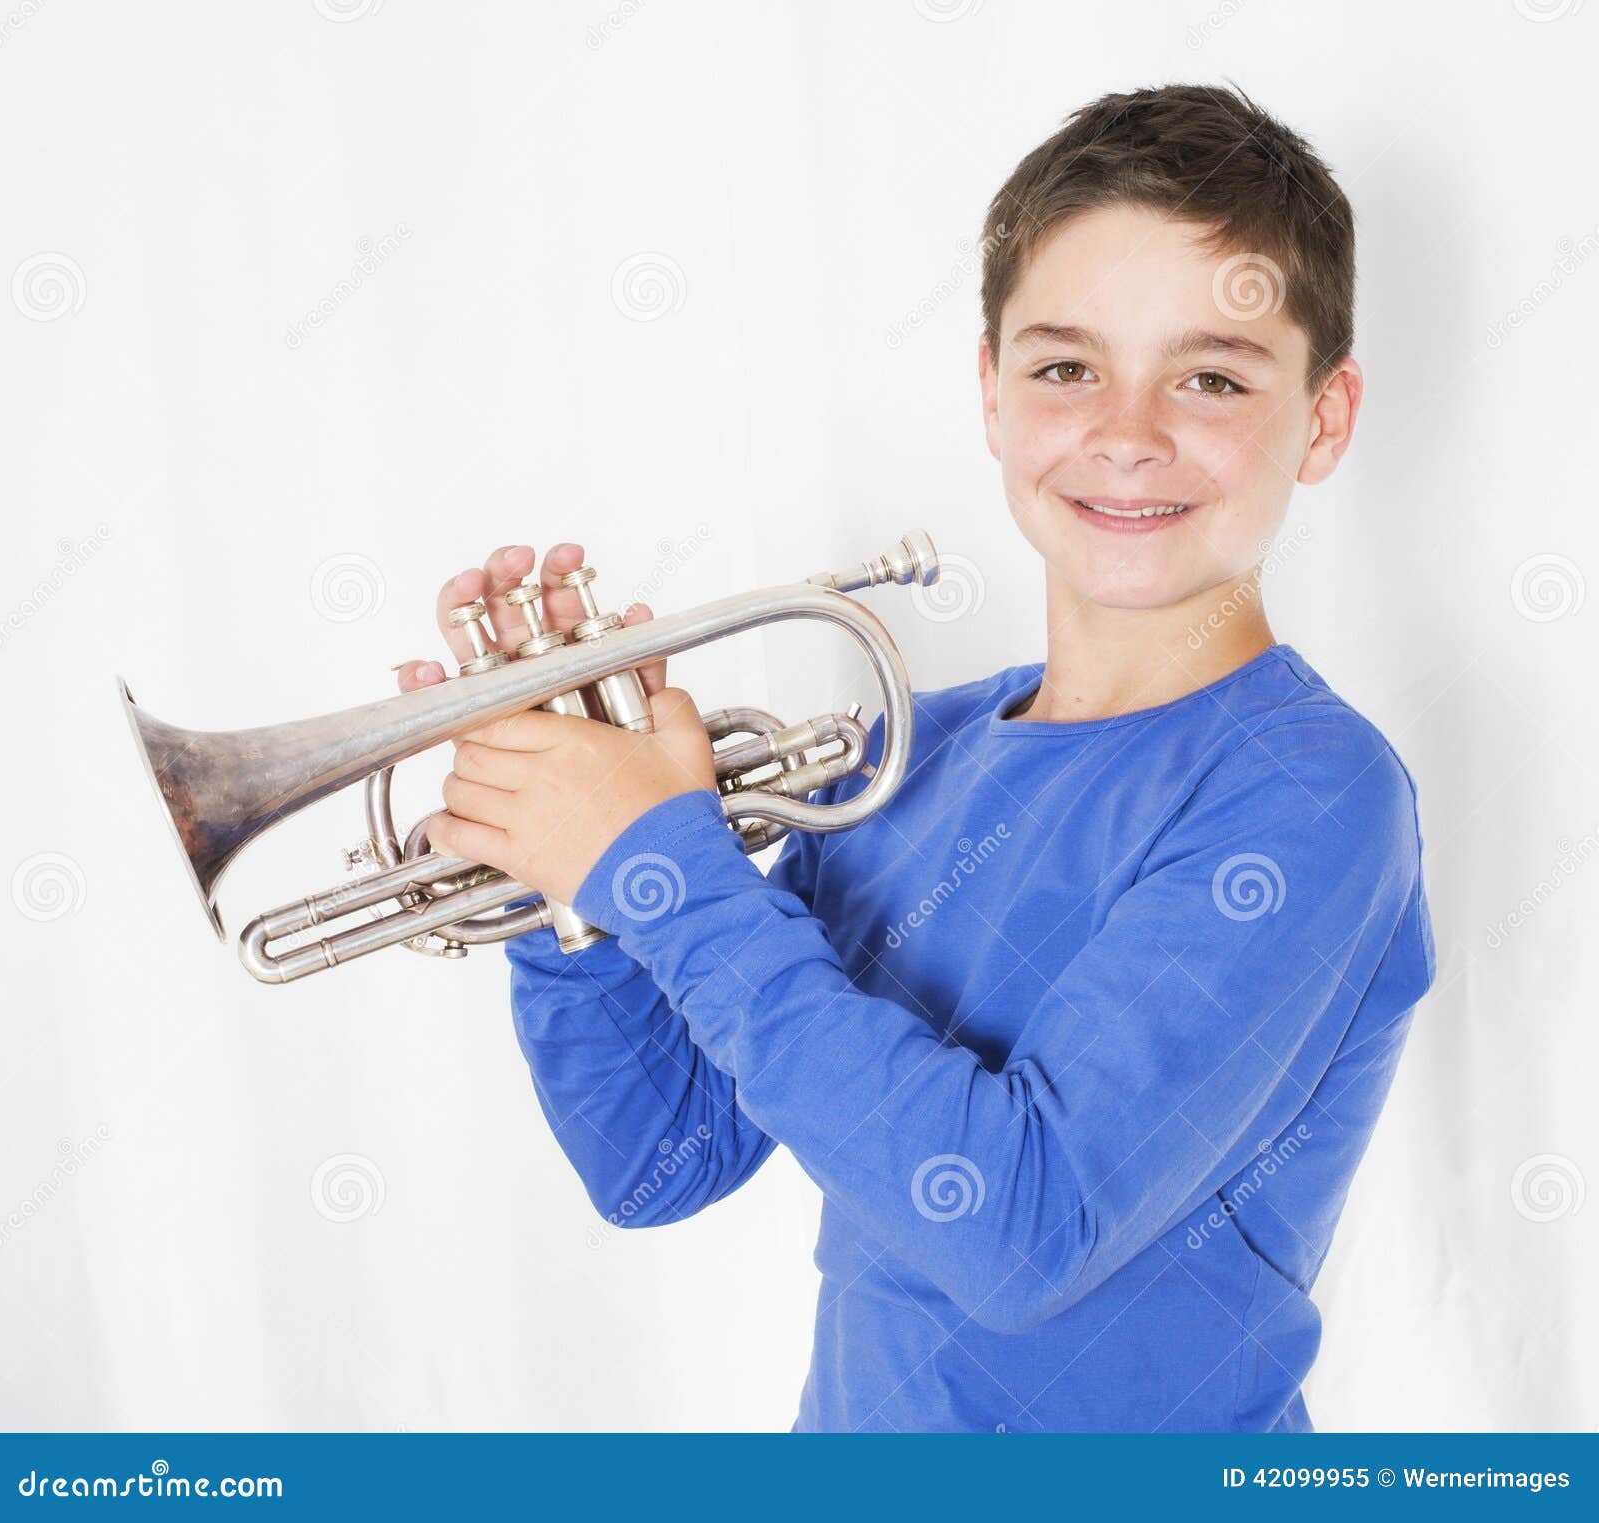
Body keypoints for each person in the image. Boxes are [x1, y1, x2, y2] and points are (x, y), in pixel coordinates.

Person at [393, 84, 1436, 1433]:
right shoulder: (910, 749)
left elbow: (1019, 1230)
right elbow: (657, 1161)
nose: (1126, 431)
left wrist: (657, 864)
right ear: (991, 397)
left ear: (1328, 418)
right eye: (1066, 367)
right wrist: (566, 878)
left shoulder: (1311, 794)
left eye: (1212, 376)